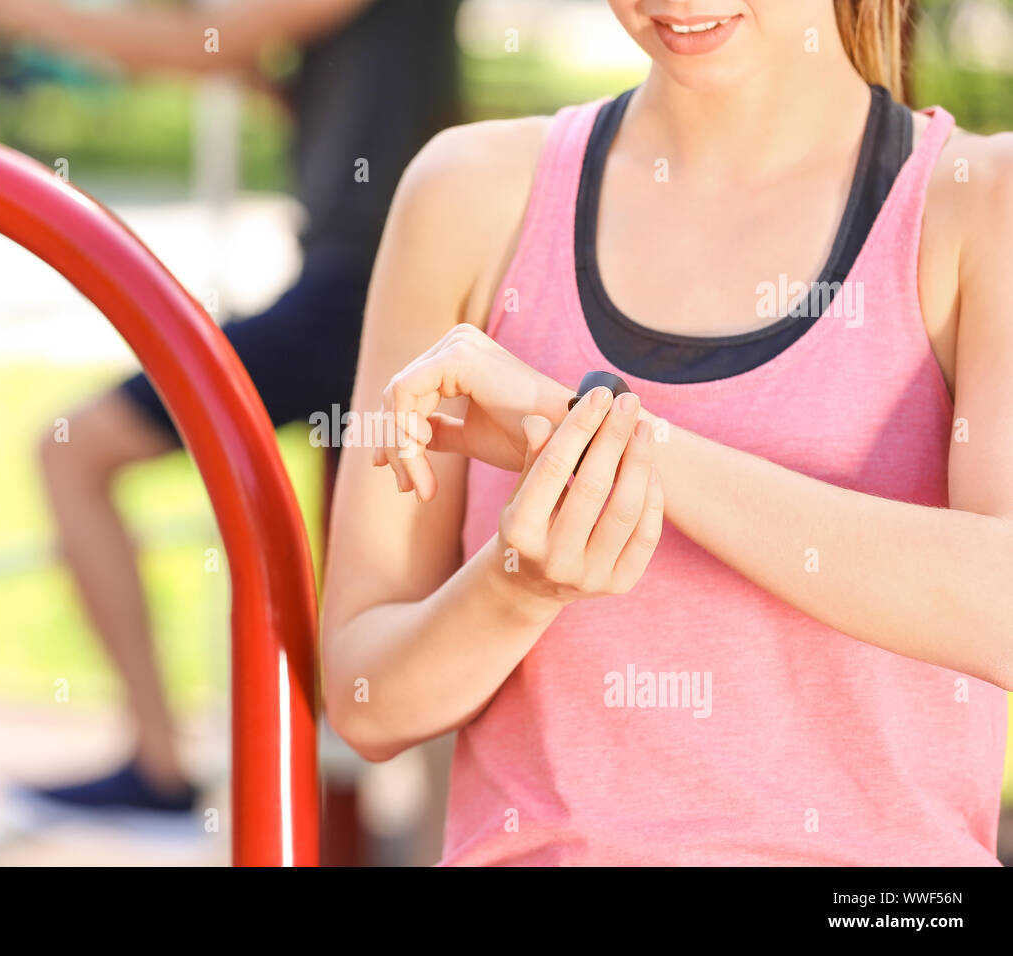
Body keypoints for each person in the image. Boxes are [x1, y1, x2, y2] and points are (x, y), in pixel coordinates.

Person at [322, 0, 1013, 865]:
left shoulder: (981, 205)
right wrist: (518, 591)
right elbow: (364, 699)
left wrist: (583, 437)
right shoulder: (467, 192)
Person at [0, 0, 463, 812]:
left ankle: (159, 763)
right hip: (376, 283)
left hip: (360, 293)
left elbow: (208, 44)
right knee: (424, 582)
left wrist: (22, 16)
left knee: (74, 449)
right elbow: (235, 50)